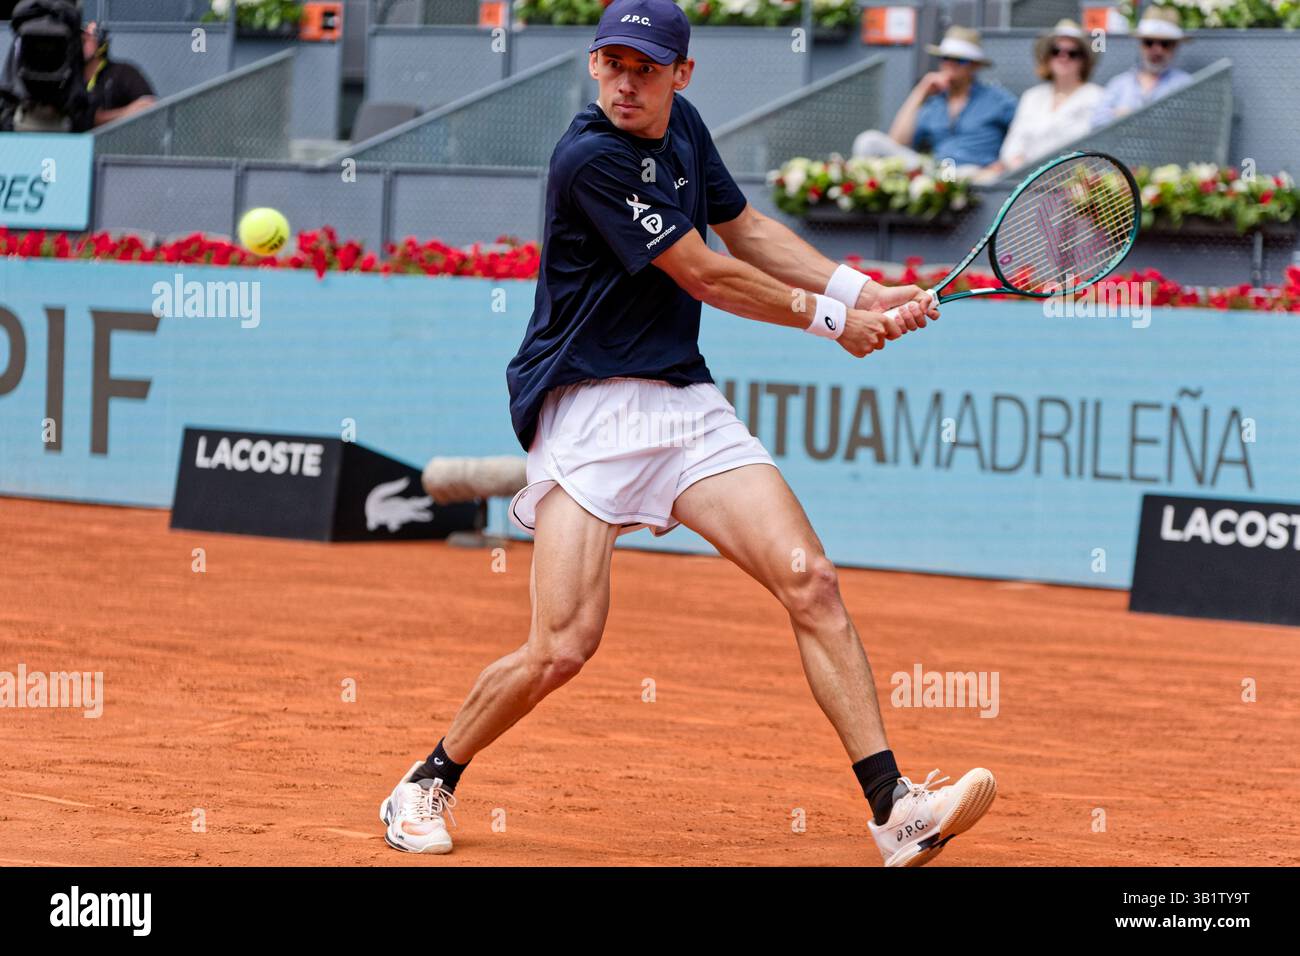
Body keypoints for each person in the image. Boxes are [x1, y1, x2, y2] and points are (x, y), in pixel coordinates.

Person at [378, 0, 997, 868]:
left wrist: (865, 292)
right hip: (589, 408)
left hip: (681, 402)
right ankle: (426, 779)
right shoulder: (590, 156)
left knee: (809, 580)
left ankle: (895, 810)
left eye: (646, 67)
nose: (626, 82)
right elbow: (705, 273)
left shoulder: (684, 129)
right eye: (612, 63)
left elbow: (744, 230)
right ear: (594, 66)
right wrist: (833, 323)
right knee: (563, 647)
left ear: (682, 74)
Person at [853, 26, 1016, 182]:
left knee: (988, 178)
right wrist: (920, 92)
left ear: (974, 65)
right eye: (945, 58)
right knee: (868, 141)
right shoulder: (934, 103)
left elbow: (1024, 132)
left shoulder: (997, 99)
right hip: (936, 172)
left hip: (976, 174)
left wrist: (1005, 163)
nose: (950, 64)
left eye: (959, 60)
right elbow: (898, 142)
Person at [987, 19, 1102, 177]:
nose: (1063, 57)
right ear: (1048, 57)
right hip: (1026, 185)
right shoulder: (1032, 96)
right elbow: (1011, 149)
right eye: (1056, 51)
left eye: (1072, 53)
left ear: (1084, 60)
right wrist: (1028, 177)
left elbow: (1093, 150)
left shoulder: (1097, 97)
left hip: (1072, 187)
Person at [1091, 5, 1191, 127]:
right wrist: (1117, 116)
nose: (1157, 50)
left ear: (1175, 47)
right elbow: (1095, 123)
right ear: (1140, 45)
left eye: (1165, 44)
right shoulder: (1119, 83)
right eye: (1149, 42)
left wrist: (1128, 116)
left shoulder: (1186, 84)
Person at [80, 20, 155, 127]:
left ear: (101, 43)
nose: (79, 45)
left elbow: (149, 105)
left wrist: (102, 118)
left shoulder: (122, 72)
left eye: (84, 40)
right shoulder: (66, 77)